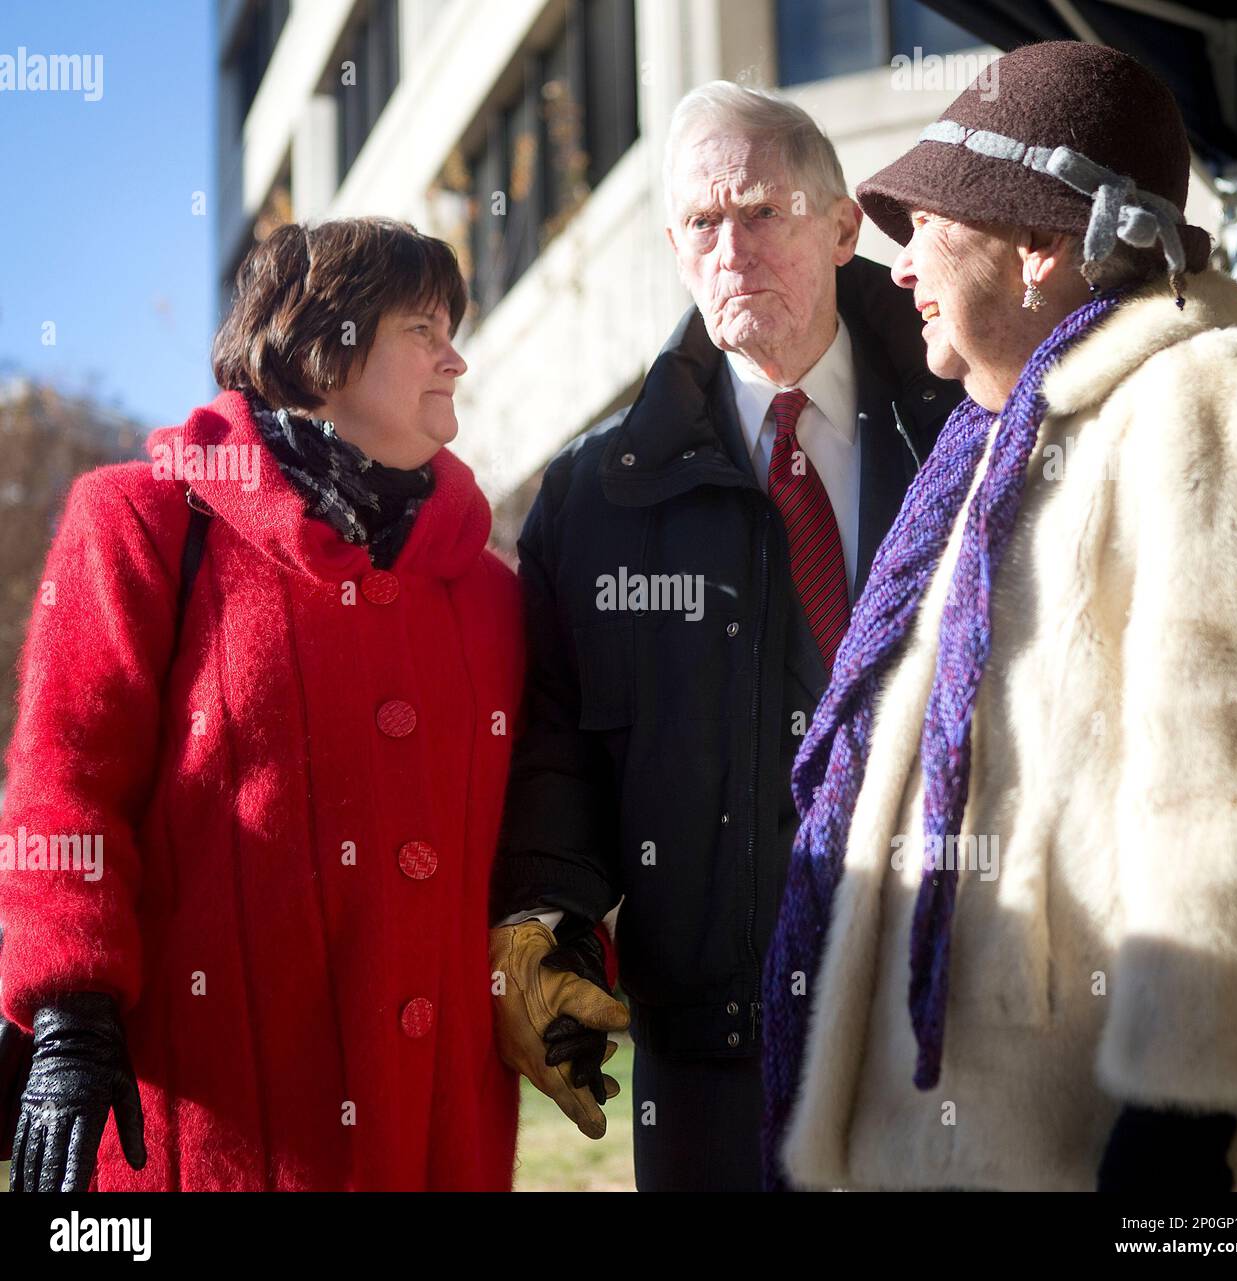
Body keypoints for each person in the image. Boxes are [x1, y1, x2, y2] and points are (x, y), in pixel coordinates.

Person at [764, 41, 1237, 1192]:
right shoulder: (998, 438)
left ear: (1040, 248)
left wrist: (1184, 1112)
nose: (899, 269)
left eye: (926, 231)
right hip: (949, 1132)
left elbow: (1235, 782)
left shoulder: (1198, 402)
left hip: (1080, 1145)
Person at [489, 81, 961, 1191]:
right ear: (672, 245)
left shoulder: (966, 430)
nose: (731, 249)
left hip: (950, 1017)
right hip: (711, 1049)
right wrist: (544, 930)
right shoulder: (596, 497)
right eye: (702, 224)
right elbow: (559, 742)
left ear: (844, 227)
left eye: (761, 211)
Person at [0, 216, 526, 1191]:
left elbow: (530, 826)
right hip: (209, 1134)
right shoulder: (141, 520)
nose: (456, 357)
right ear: (322, 351)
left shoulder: (492, 591)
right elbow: (63, 787)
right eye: (423, 328)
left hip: (443, 1132)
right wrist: (72, 1015)